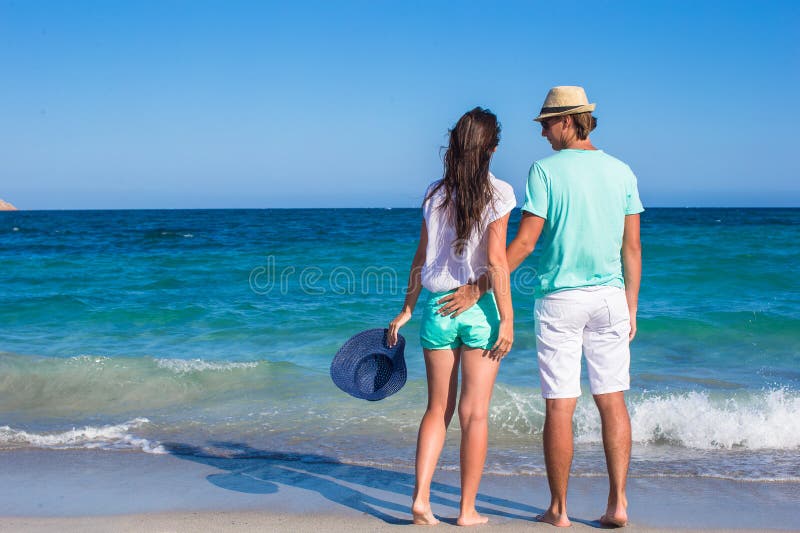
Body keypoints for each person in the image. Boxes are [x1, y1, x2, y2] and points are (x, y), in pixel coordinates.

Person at [438, 86, 643, 527]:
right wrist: (631, 305)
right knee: (613, 401)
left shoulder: (545, 172)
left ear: (568, 121)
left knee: (560, 406)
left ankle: (559, 510)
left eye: (547, 124)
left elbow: (526, 243)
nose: (544, 133)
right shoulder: (622, 172)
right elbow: (632, 249)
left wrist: (479, 288)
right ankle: (618, 504)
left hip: (560, 301)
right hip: (610, 300)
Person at [386, 107, 516, 526]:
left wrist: (407, 307)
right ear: (491, 148)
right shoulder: (500, 193)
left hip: (438, 308)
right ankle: (466, 511)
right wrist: (509, 320)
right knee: (474, 414)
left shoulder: (434, 192)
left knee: (436, 409)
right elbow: (496, 261)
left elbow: (421, 257)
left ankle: (421, 499)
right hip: (479, 312)